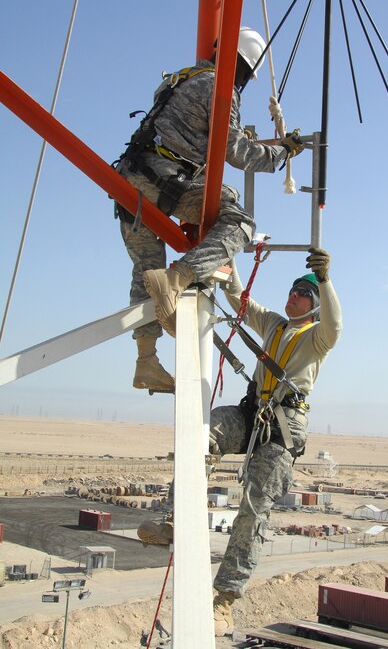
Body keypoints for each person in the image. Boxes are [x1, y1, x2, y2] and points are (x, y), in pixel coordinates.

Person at [137, 246, 342, 637]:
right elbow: (240, 301)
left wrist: (326, 281)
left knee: (253, 507)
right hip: (254, 414)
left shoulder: (316, 338)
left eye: (303, 293)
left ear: (314, 306)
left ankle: (225, 600)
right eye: (294, 289)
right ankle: (174, 517)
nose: (294, 295)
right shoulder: (276, 325)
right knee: (200, 429)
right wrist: (226, 267)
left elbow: (336, 325)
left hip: (282, 428)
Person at [114, 27, 305, 393]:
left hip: (128, 182)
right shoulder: (221, 88)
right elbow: (237, 152)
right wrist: (282, 152)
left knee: (145, 270)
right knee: (240, 220)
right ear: (247, 70)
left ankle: (146, 361)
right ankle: (180, 277)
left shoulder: (181, 78)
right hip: (164, 181)